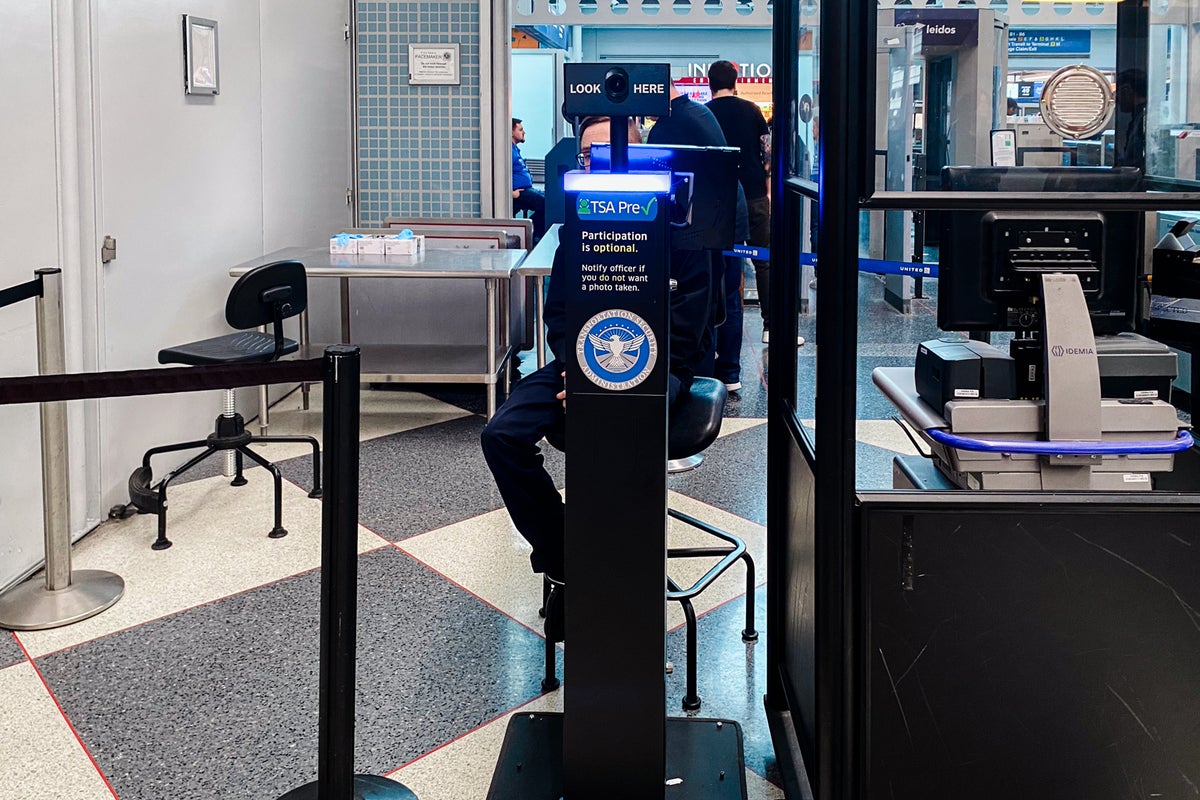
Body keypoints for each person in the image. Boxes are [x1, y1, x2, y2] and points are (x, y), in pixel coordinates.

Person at [481, 114, 711, 640]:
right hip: (580, 363)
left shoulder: (682, 230)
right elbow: (560, 315)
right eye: (590, 156)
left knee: (615, 430)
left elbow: (689, 329)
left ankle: (622, 573)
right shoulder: (579, 230)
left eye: (611, 153)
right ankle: (569, 557)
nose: (600, 165)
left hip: (660, 367)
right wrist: (579, 373)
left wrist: (615, 384)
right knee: (502, 435)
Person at [706, 60, 804, 346]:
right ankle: (770, 327)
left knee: (719, 263)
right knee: (764, 262)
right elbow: (767, 152)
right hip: (753, 195)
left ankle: (716, 330)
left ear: (710, 84)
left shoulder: (705, 114)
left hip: (719, 201)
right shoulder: (751, 110)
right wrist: (769, 190)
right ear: (735, 82)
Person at [511, 118, 546, 243]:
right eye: (520, 129)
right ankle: (534, 236)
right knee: (545, 203)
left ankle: (533, 231)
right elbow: (499, 172)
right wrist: (510, 193)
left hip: (526, 189)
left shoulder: (515, 150)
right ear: (511, 132)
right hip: (519, 192)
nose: (524, 132)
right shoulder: (507, 151)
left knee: (550, 200)